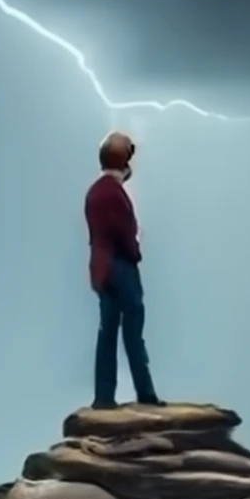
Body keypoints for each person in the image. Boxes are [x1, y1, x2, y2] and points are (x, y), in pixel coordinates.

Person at [84, 130, 163, 409]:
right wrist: (135, 250)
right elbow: (122, 234)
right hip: (121, 267)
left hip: (101, 269)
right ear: (123, 161)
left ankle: (104, 397)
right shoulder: (114, 195)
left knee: (107, 332)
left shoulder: (94, 192)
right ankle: (146, 393)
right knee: (133, 331)